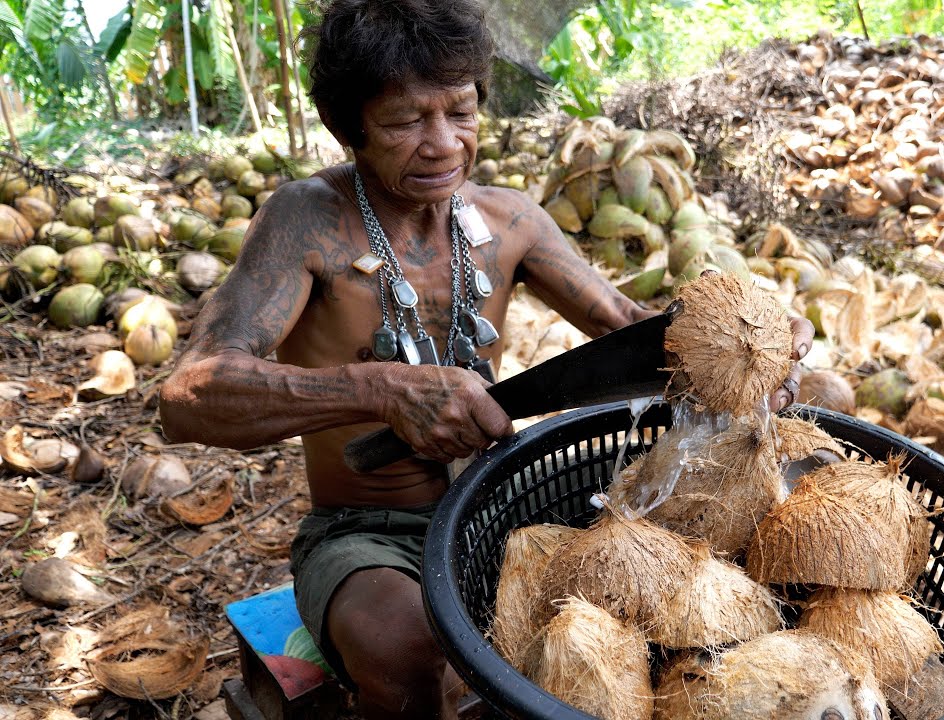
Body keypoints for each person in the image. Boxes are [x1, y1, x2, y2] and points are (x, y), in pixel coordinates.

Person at [158, 0, 814, 717]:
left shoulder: (510, 219)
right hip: (371, 534)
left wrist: (745, 341)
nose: (443, 144)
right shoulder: (307, 221)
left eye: (461, 112)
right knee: (408, 644)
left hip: (509, 503)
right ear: (348, 126)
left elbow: (633, 331)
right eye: (406, 121)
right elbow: (190, 395)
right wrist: (381, 390)